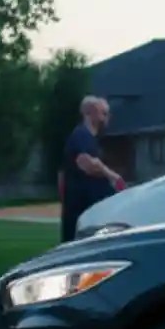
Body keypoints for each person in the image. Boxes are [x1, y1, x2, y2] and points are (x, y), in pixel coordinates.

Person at [60, 95, 123, 242]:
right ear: (89, 113)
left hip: (90, 211)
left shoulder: (91, 140)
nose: (107, 118)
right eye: (103, 113)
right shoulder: (81, 136)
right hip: (81, 212)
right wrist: (112, 176)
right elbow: (86, 162)